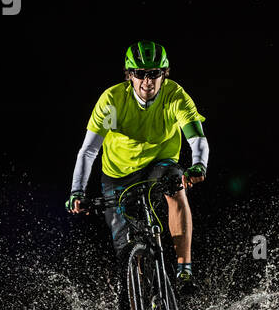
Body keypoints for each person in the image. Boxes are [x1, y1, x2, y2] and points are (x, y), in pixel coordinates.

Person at [65, 39, 208, 282]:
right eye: (140, 74)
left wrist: (199, 165)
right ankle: (138, 300)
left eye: (154, 73)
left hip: (158, 164)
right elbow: (89, 151)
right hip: (118, 175)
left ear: (164, 74)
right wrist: (77, 191)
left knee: (176, 184)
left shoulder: (175, 97)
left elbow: (197, 140)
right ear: (129, 75)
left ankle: (185, 269)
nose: (147, 81)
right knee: (126, 255)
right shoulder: (112, 102)